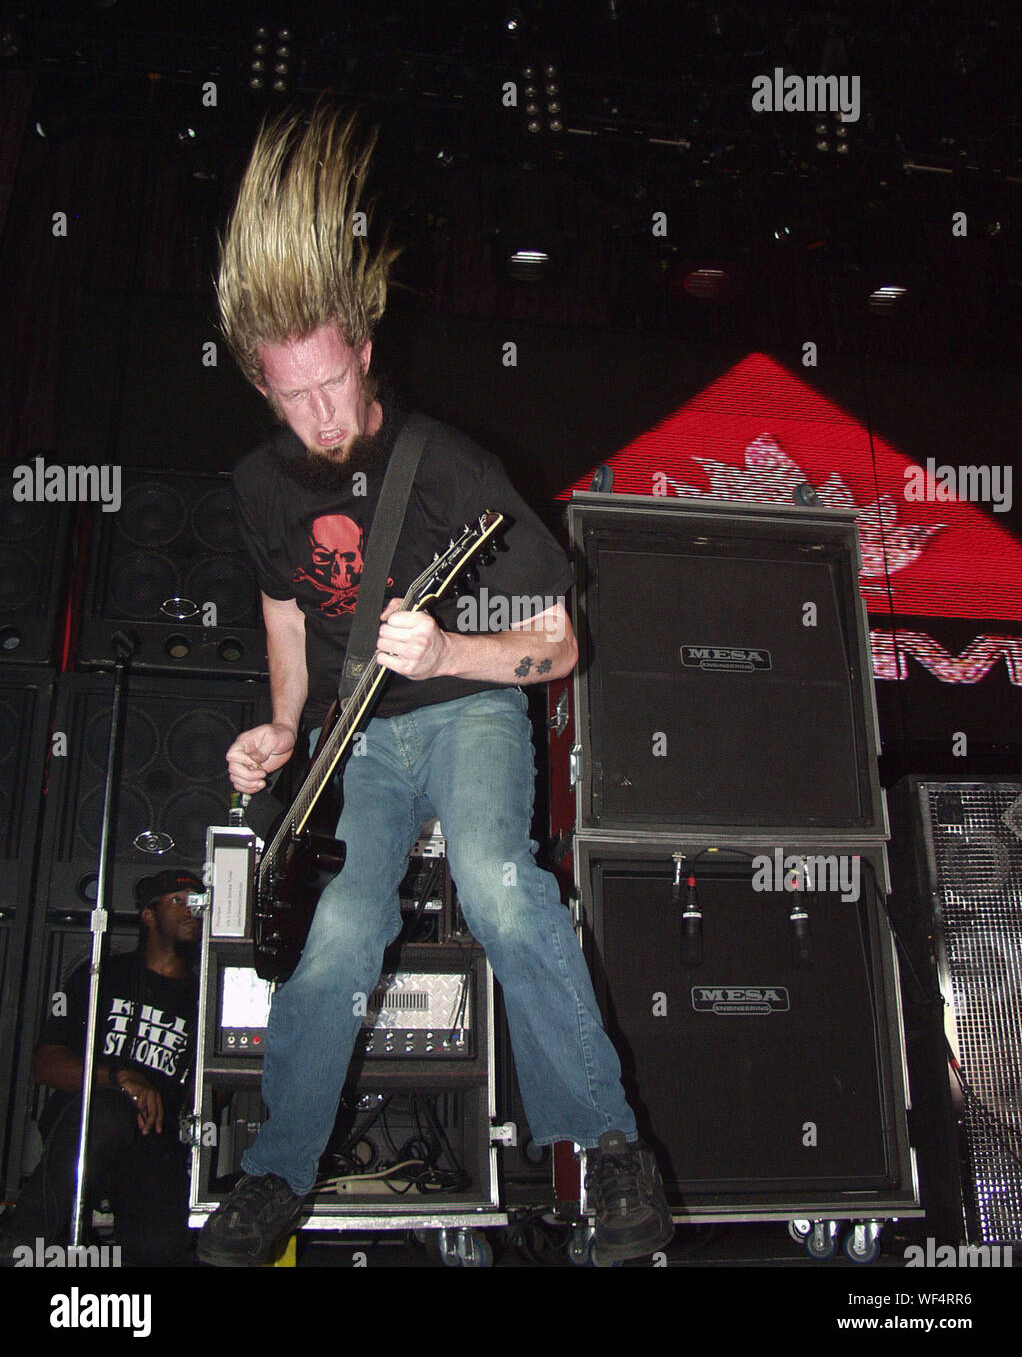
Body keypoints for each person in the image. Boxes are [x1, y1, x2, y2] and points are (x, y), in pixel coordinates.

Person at [198, 105, 672, 1267]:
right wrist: (277, 723)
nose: (314, 418)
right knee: (338, 931)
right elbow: (282, 606)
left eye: (328, 386)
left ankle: (608, 1148)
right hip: (357, 740)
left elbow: (557, 643)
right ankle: (274, 1172)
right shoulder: (260, 488)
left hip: (461, 709)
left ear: (363, 348)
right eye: (285, 397)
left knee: (501, 882)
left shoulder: (449, 469)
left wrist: (453, 653)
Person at [0, 870, 201, 1267]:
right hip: (90, 1121)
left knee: (163, 1247)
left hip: (156, 1141)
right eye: (178, 901)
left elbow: (213, 1093)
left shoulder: (203, 996)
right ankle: (21, 1245)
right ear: (148, 915)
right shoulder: (101, 976)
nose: (190, 911)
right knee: (107, 1111)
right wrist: (118, 1078)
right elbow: (46, 1065)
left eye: (196, 903)